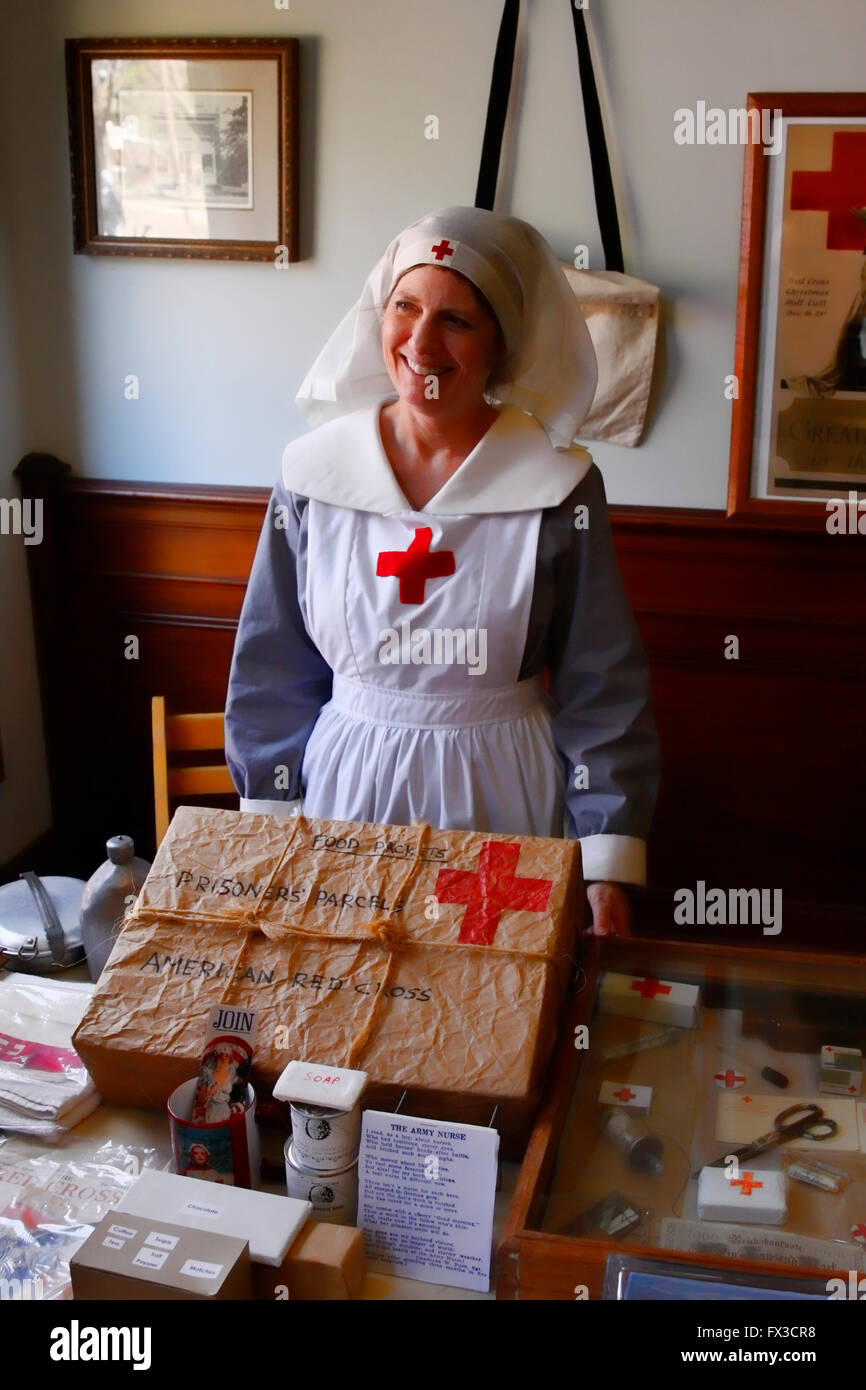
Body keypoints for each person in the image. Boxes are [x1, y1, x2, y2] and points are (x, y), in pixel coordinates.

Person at [225, 206, 659, 936]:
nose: (421, 343)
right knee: (345, 1003)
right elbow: (271, 667)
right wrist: (269, 824)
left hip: (503, 788)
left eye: (457, 320)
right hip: (346, 788)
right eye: (405, 307)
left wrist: (608, 859)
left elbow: (601, 683)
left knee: (488, 1014)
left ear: (502, 345)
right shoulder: (312, 477)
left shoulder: (557, 486)